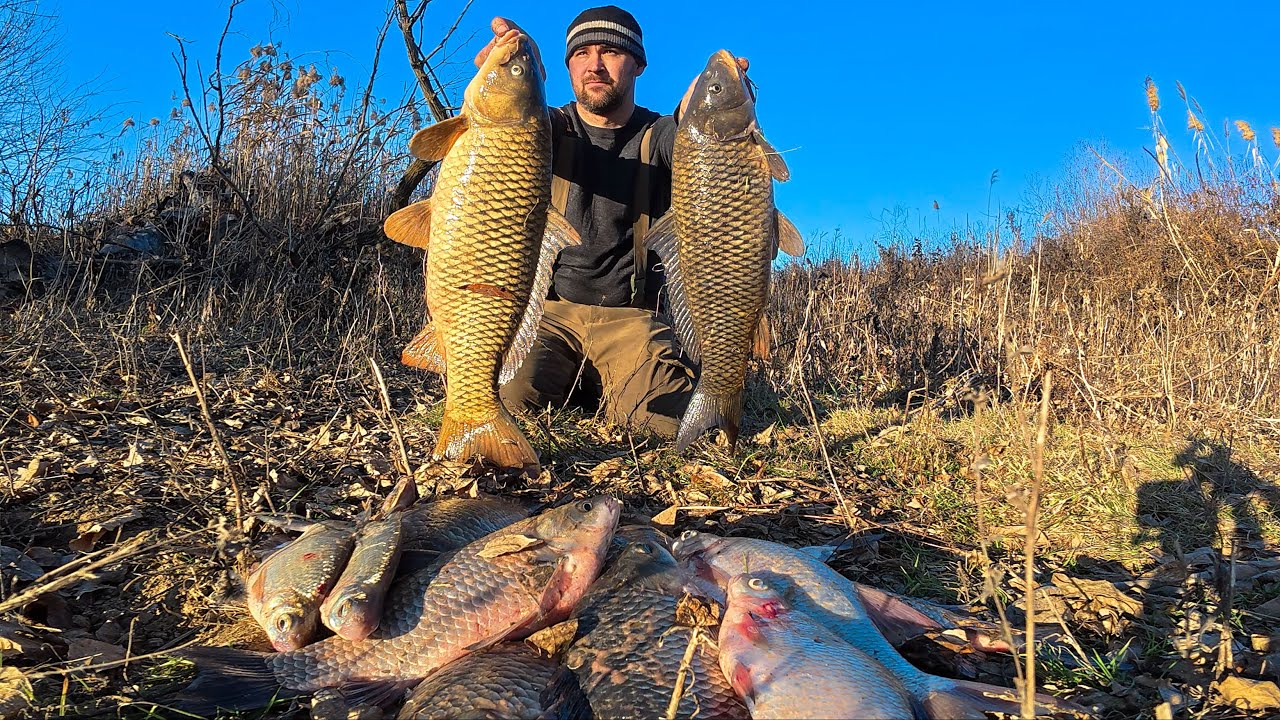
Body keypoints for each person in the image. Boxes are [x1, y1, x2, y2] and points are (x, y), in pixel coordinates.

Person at [469, 7, 746, 439]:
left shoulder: (662, 135)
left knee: (660, 425)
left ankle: (608, 385)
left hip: (631, 317)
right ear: (565, 67)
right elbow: (506, 122)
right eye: (582, 53)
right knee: (512, 403)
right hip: (549, 311)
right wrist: (507, 76)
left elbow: (700, 139)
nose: (594, 65)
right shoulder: (545, 127)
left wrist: (706, 106)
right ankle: (583, 384)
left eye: (611, 52)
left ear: (638, 63)